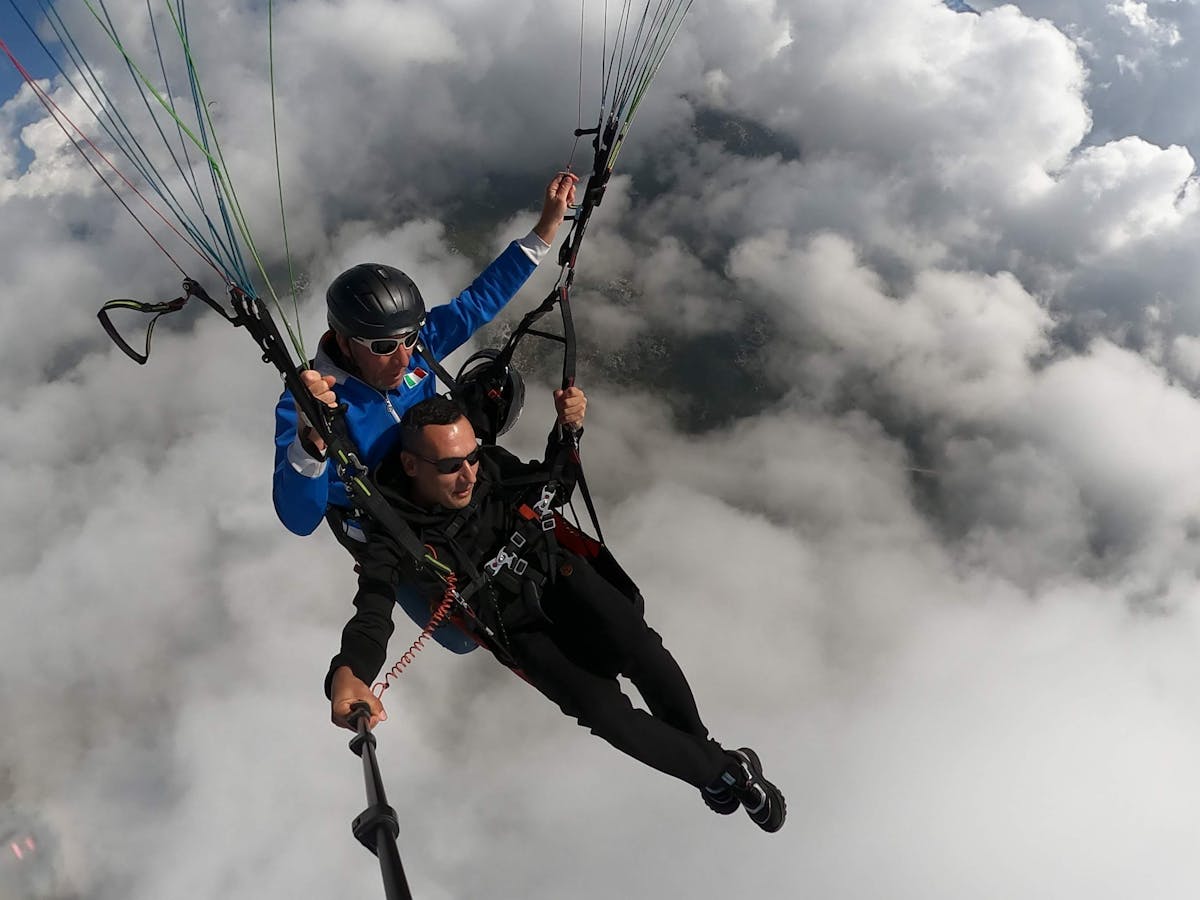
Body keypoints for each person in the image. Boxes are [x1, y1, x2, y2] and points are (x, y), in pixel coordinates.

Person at [324, 391, 787, 833]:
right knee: (605, 714)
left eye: (471, 458)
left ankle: (715, 766)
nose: (467, 475)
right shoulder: (394, 531)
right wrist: (352, 671)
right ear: (410, 465)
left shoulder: (492, 469)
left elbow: (552, 484)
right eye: (449, 466)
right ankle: (725, 772)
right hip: (515, 626)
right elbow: (374, 604)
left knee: (638, 648)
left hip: (561, 575)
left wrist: (567, 431)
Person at [272, 171, 579, 546]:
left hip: (450, 483)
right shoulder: (307, 405)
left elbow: (476, 304)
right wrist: (310, 442)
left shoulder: (417, 347)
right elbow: (299, 520)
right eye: (384, 347)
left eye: (410, 339)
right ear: (346, 343)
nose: (402, 358)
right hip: (399, 528)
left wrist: (545, 229)